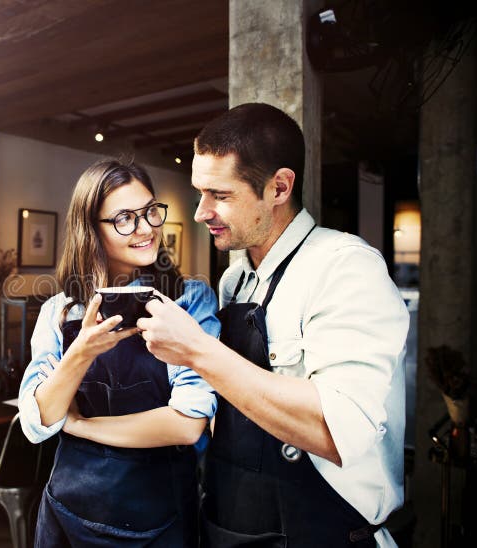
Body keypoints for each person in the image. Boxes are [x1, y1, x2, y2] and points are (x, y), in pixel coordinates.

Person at [137, 103, 409, 547]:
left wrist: (196, 351)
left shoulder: (345, 268)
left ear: (279, 187)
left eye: (220, 195)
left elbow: (340, 432)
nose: (202, 211)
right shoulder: (234, 280)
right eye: (199, 192)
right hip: (231, 527)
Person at [18, 158, 220, 547]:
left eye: (149, 212)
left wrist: (79, 426)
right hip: (67, 513)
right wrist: (80, 353)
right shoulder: (59, 312)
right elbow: (36, 422)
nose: (145, 228)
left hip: (157, 519)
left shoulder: (190, 302)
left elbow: (187, 422)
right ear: (90, 229)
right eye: (125, 218)